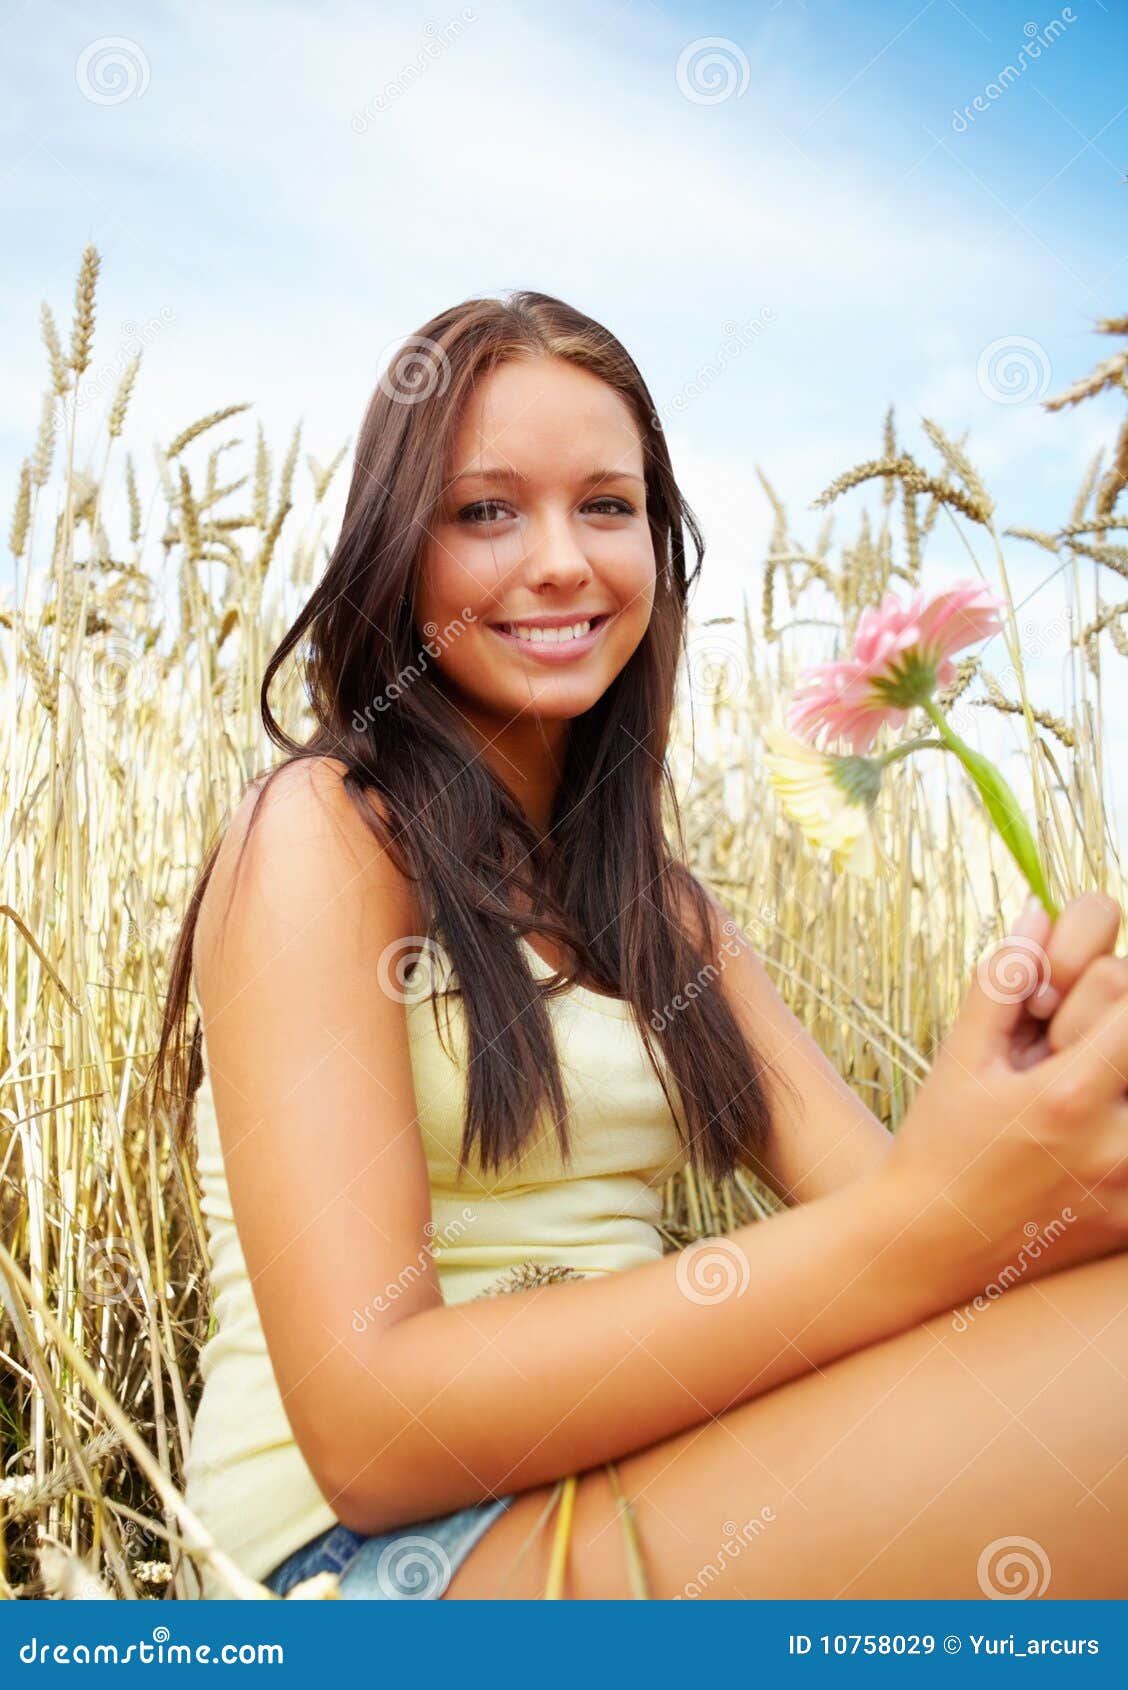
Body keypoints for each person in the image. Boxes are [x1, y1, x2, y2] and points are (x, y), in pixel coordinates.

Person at [151, 291, 1128, 1601]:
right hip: (375, 1562)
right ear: (399, 553)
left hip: (640, 1476)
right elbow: (370, 1433)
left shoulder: (662, 912)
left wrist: (1050, 1127)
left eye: (608, 506)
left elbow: (928, 1248)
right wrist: (933, 1213)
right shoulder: (326, 836)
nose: (561, 559)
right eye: (487, 509)